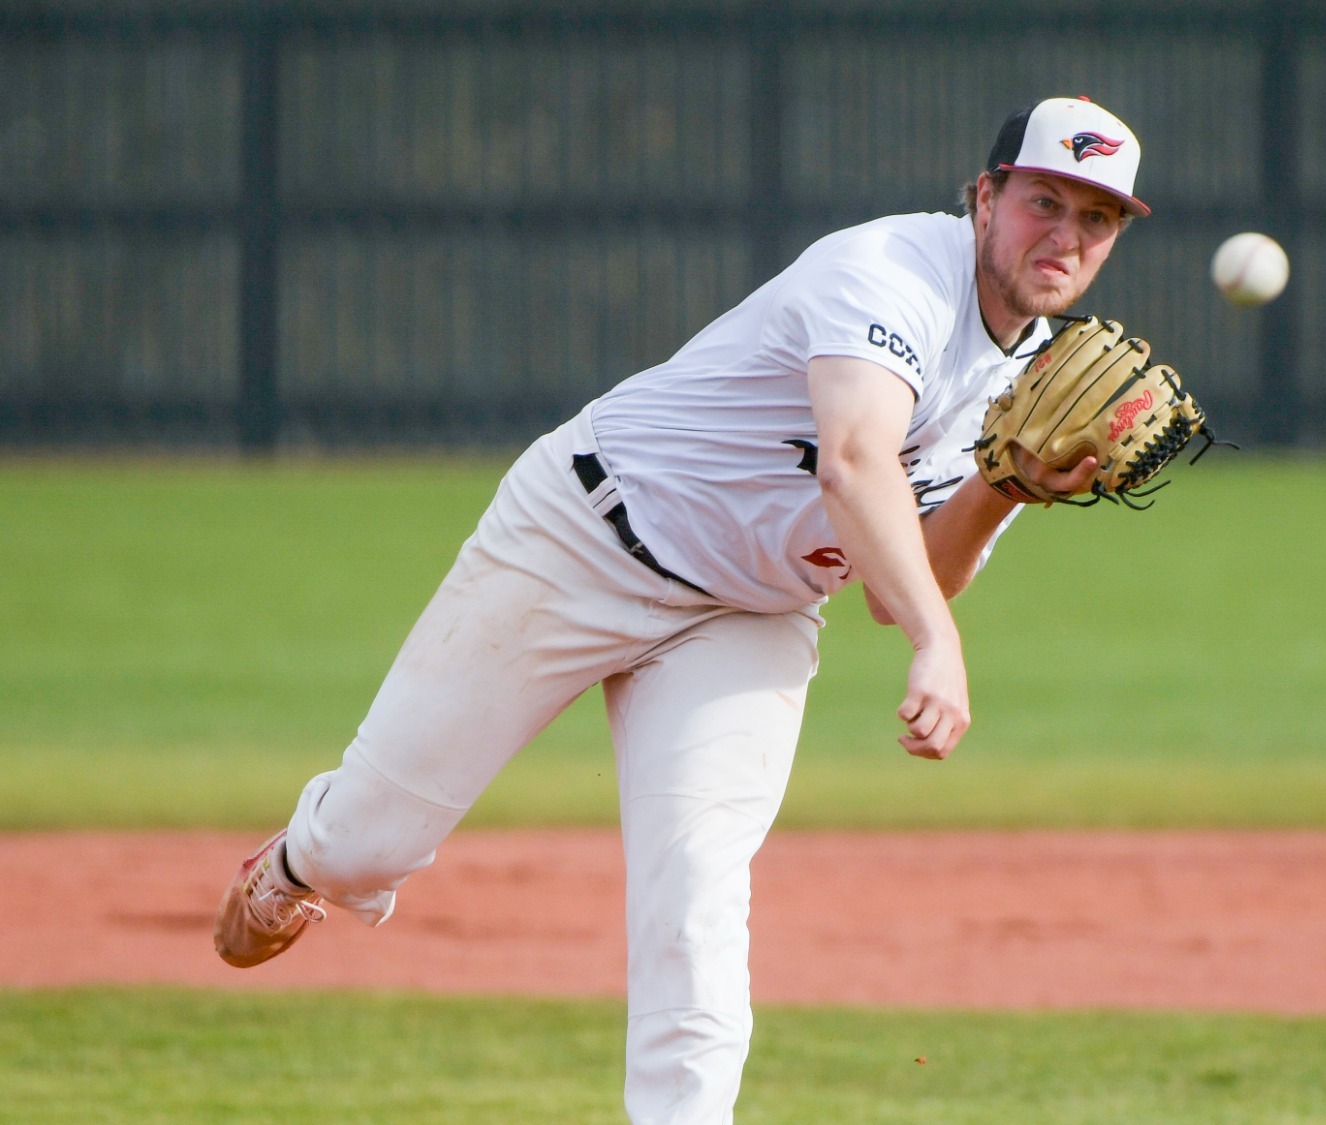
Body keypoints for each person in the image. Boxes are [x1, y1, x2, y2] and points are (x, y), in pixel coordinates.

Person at [211, 96, 1150, 1120]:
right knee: (369, 847)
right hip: (580, 538)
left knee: (697, 901)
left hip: (748, 613)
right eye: (1041, 201)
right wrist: (938, 641)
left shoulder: (1034, 376)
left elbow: (901, 578)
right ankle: (303, 859)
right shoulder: (887, 272)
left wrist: (997, 489)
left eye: (1093, 218)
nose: (1063, 234)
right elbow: (850, 459)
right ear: (984, 197)